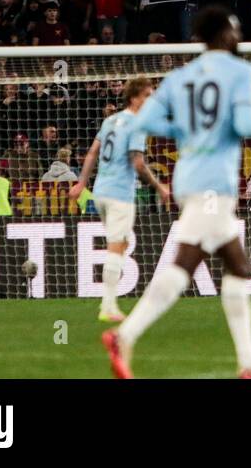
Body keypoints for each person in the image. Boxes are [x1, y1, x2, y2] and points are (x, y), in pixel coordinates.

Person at [102, 6, 251, 379]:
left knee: (237, 264)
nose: (238, 38)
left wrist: (188, 131)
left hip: (188, 177)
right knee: (185, 263)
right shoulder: (242, 72)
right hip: (213, 183)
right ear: (227, 35)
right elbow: (243, 122)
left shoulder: (180, 76)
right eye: (235, 31)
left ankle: (249, 361)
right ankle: (124, 334)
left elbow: (149, 120)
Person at [69, 77, 173, 322]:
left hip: (100, 191)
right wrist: (160, 187)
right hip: (119, 194)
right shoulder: (137, 124)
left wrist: (82, 182)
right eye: (148, 96)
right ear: (135, 98)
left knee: (121, 242)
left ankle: (109, 304)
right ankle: (108, 306)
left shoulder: (110, 120)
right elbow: (138, 163)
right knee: (116, 246)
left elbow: (93, 151)